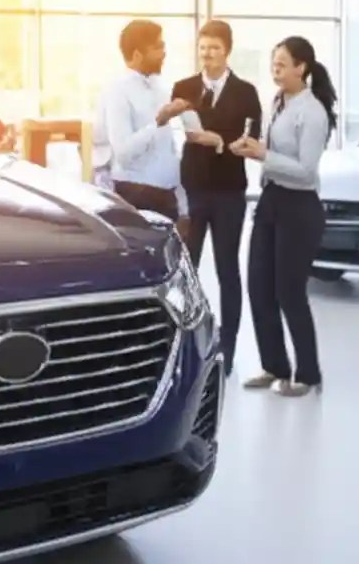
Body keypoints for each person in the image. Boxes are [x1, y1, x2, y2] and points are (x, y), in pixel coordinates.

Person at [230, 35, 336, 397]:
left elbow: (306, 171)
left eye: (281, 64)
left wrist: (263, 155)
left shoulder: (314, 111)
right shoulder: (278, 102)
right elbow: (269, 150)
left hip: (300, 207)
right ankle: (274, 365)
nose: (274, 69)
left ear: (300, 68)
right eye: (273, 63)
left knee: (289, 291)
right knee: (259, 285)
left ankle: (307, 374)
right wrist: (251, 148)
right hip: (272, 199)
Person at [170, 20, 262, 379]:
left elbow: (251, 137)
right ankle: (186, 345)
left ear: (228, 51)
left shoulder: (246, 91)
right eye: (203, 47)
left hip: (229, 192)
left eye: (214, 48)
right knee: (187, 269)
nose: (207, 54)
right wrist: (216, 138)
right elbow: (181, 132)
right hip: (193, 189)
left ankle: (229, 347)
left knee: (227, 269)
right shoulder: (183, 88)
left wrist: (218, 140)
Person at [92, 19, 190, 230]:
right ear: (137, 54)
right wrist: (158, 122)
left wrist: (182, 205)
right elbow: (124, 152)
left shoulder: (161, 88)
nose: (164, 52)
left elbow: (169, 149)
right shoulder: (117, 91)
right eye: (157, 47)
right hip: (136, 195)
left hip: (167, 196)